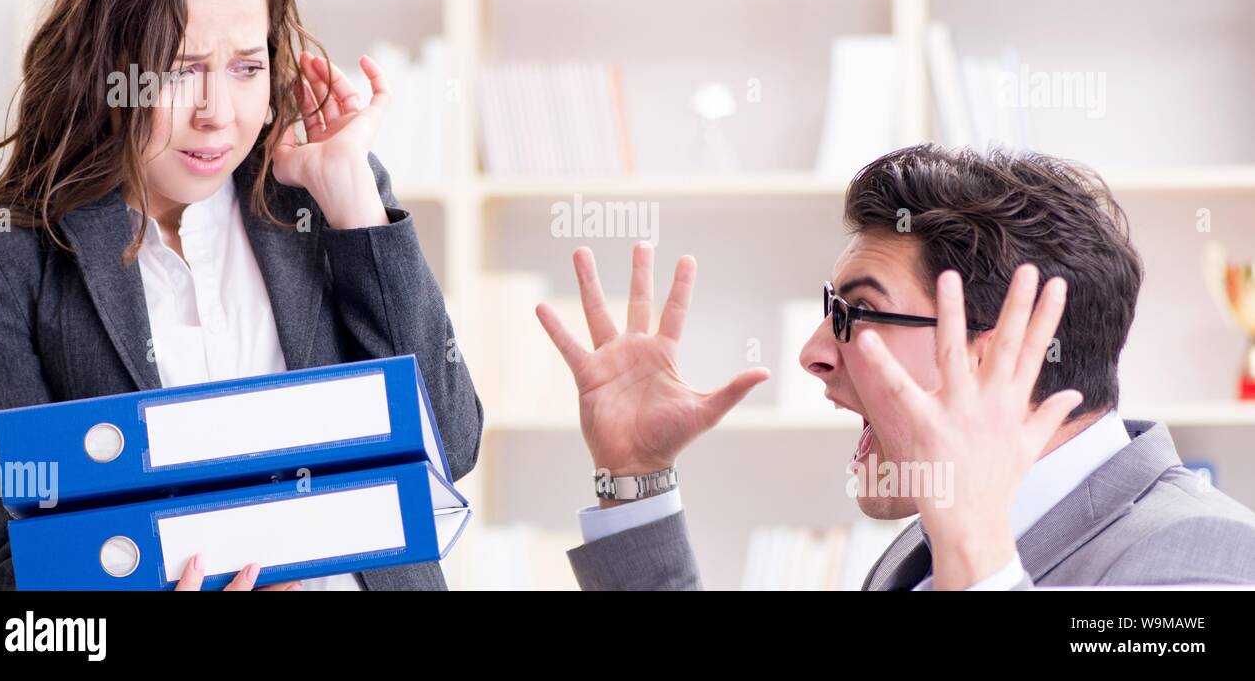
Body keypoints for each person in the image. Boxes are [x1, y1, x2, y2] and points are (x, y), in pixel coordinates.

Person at [0, 0, 483, 591]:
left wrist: (351, 195)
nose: (218, 114)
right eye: (180, 70)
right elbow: (15, 577)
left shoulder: (323, 195)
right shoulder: (7, 256)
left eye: (246, 68)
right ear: (107, 70)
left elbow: (451, 443)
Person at [537, 145, 1255, 589]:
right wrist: (635, 482)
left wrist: (971, 547)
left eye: (859, 311)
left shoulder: (1201, 553)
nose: (815, 351)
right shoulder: (917, 551)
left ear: (996, 347)